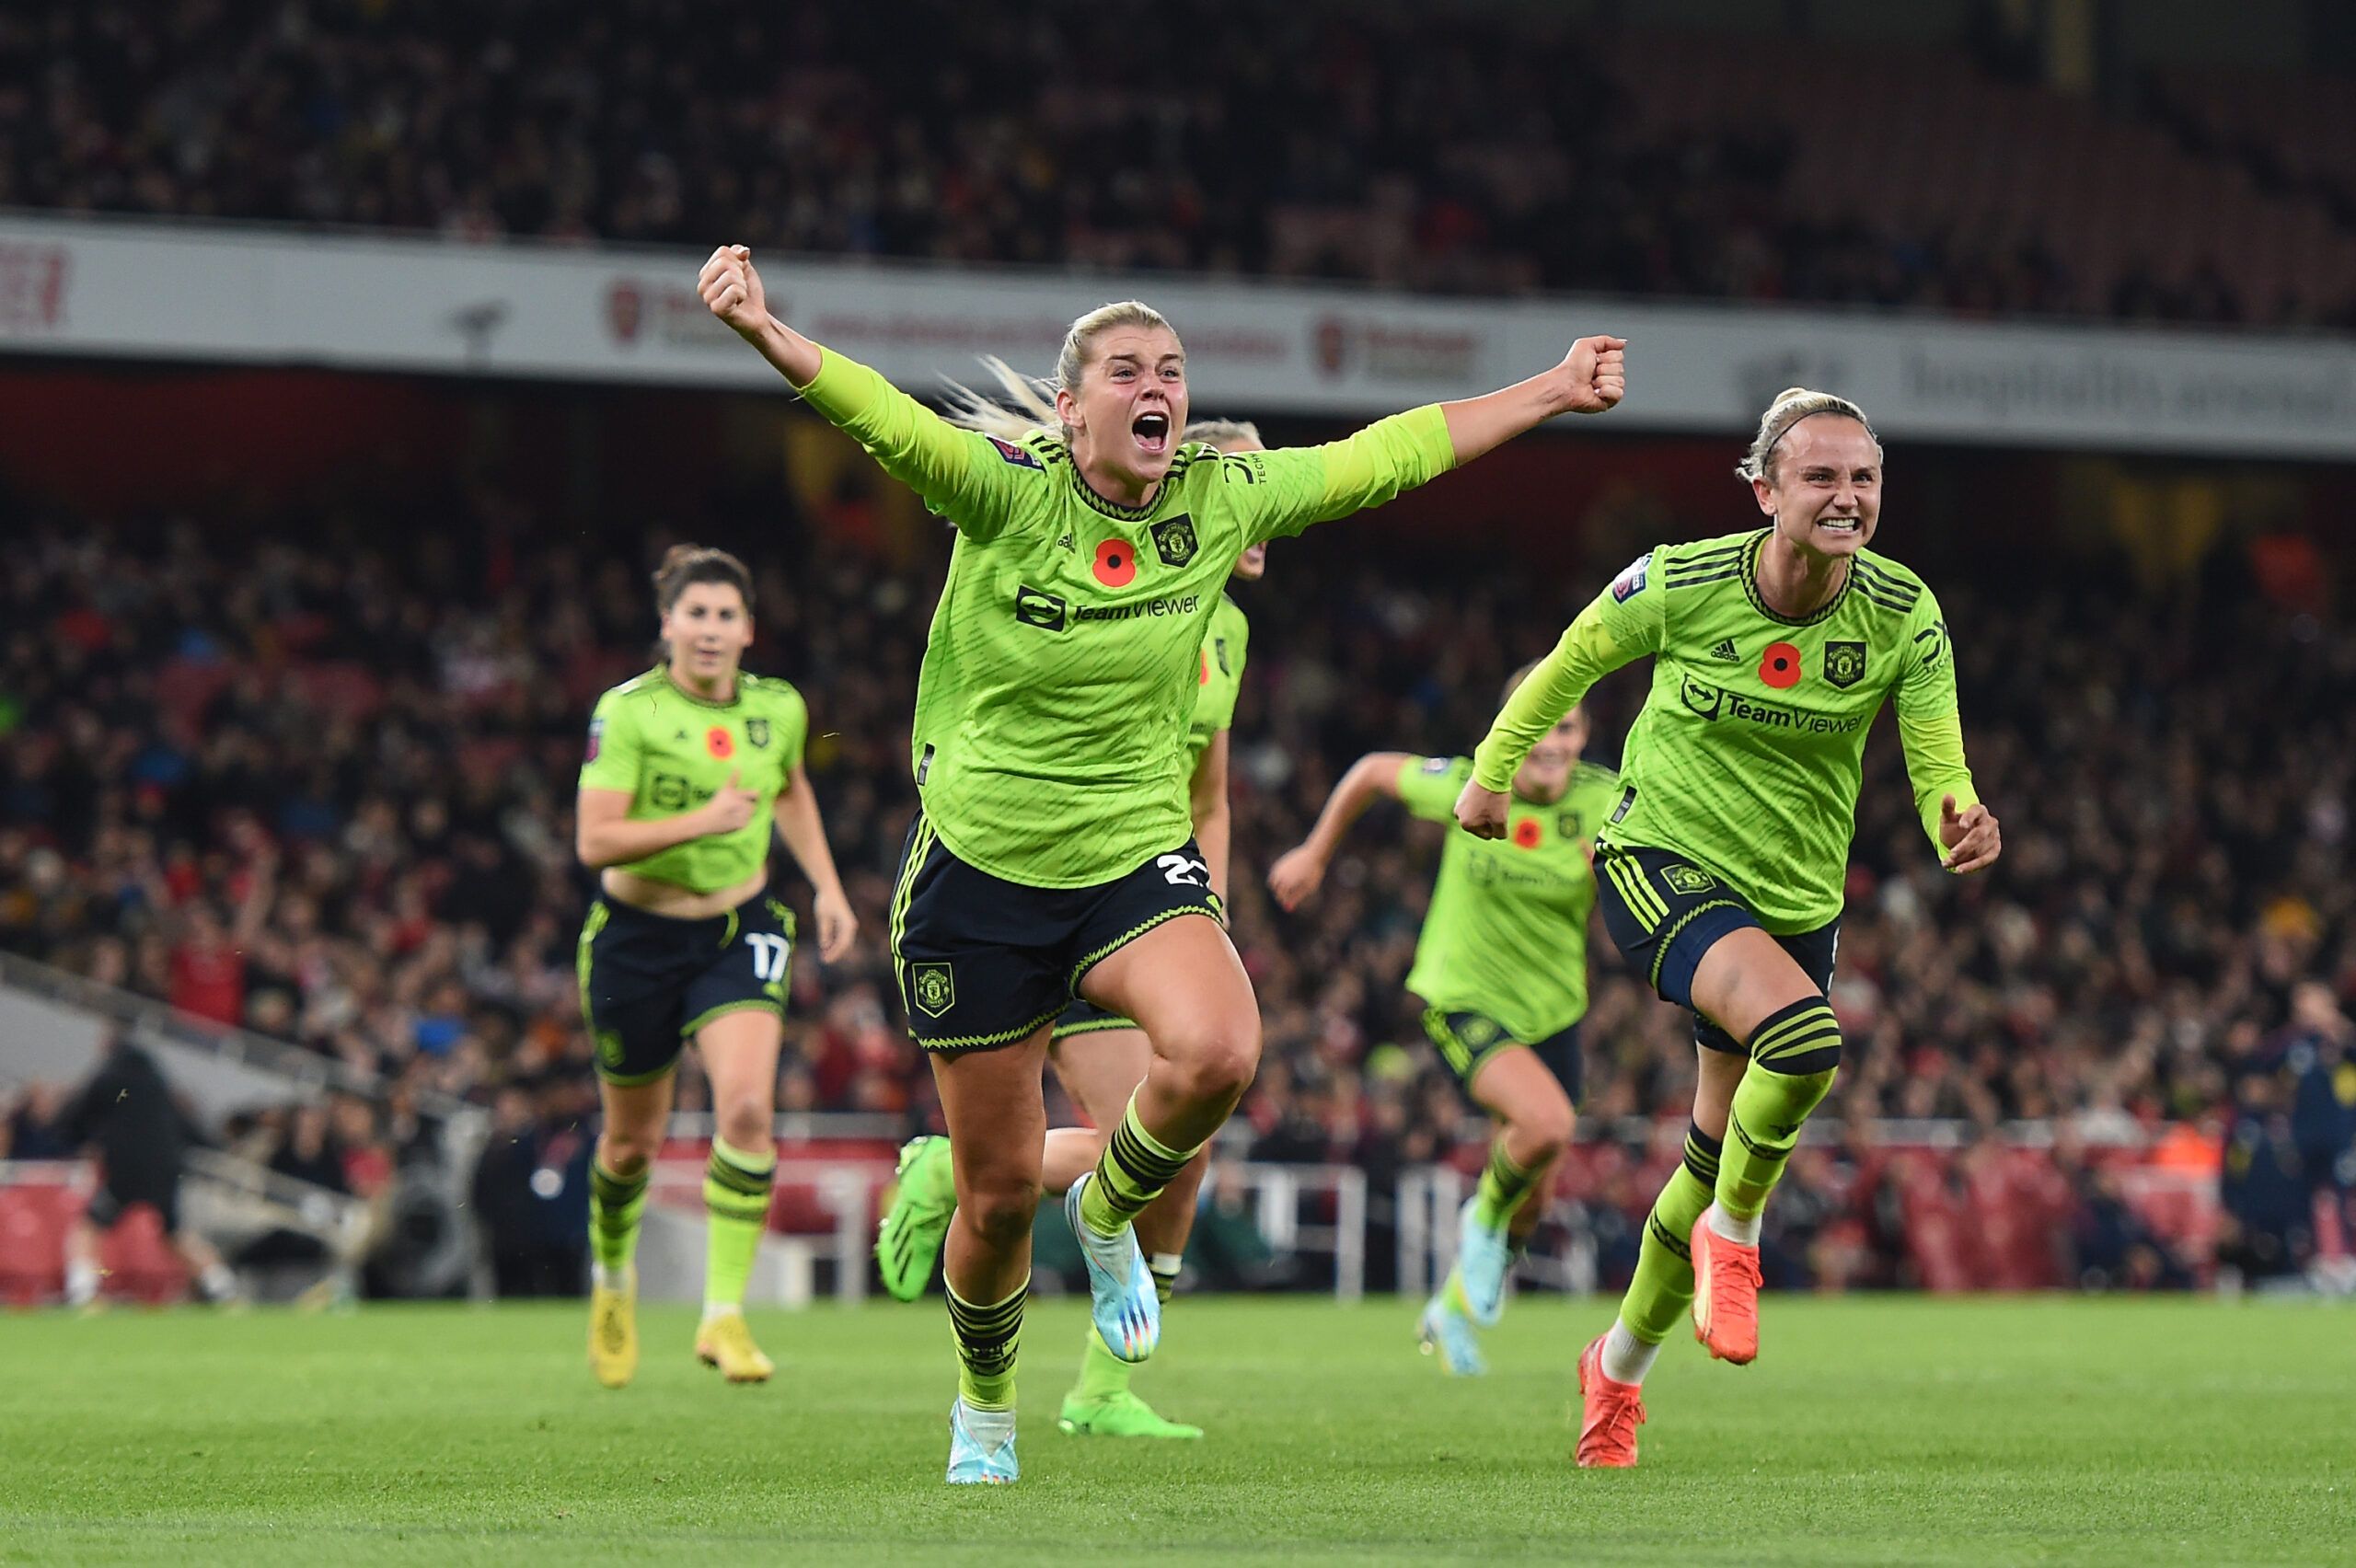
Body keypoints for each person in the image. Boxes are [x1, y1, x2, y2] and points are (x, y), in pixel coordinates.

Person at [699, 240, 1624, 1483]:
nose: (1158, 387)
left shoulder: (1216, 501)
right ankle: (986, 1402)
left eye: (1173, 371)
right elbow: (878, 413)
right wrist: (763, 327)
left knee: (1221, 1054)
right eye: (1128, 369)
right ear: (1073, 405)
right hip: (979, 878)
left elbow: (1390, 453)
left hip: (1131, 858)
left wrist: (1550, 388)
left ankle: (1111, 1210)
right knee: (994, 1195)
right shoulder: (1009, 497)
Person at [1456, 386, 1999, 1468]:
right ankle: (1738, 1240)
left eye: (1863, 479)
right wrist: (1489, 775)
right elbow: (1566, 664)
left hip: (1795, 904)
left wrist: (1957, 817)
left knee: (1706, 1156)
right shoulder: (1678, 580)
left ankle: (1613, 1372)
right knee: (1804, 1042)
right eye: (1821, 477)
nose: (1846, 498)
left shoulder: (1901, 611)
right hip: (1662, 861)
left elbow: (1937, 756)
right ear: (1765, 491)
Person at [877, 400, 1272, 1442]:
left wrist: (1207, 909)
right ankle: (951, 1207)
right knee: (1014, 1186)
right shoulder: (1065, 549)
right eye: (1240, 477)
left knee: (1175, 1143)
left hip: (1122, 888)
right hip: (1004, 883)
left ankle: (1101, 1391)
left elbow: (1212, 790)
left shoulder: (1221, 632)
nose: (1257, 505)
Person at [1267, 671, 1619, 1374]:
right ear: (1510, 726)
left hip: (1555, 1012)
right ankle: (1479, 1225)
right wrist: (1315, 851)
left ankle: (1450, 1308)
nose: (1554, 743)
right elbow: (1371, 772)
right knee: (1546, 1125)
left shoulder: (1606, 800)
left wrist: (1615, 874)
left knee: (1536, 1195)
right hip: (1465, 997)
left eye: (1569, 728)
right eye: (1541, 724)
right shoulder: (1470, 782)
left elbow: (1637, 911)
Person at [574, 544, 858, 1389]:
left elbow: (791, 790)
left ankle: (723, 1317)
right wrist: (703, 819)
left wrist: (829, 887)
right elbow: (595, 842)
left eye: (724, 615)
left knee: (744, 1110)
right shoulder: (628, 713)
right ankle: (613, 1282)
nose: (709, 629)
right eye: (694, 613)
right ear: (667, 626)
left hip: (740, 928)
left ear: (747, 630)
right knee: (631, 1145)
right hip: (636, 935)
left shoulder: (778, 708)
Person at [56, 1033, 239, 1309]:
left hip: (125, 1168)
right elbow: (187, 1126)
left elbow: (72, 1119)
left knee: (89, 1227)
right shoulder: (159, 1084)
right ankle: (223, 1288)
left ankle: (82, 1293)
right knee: (175, 1232)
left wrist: (81, 1140)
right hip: (166, 1167)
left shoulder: (109, 1078)